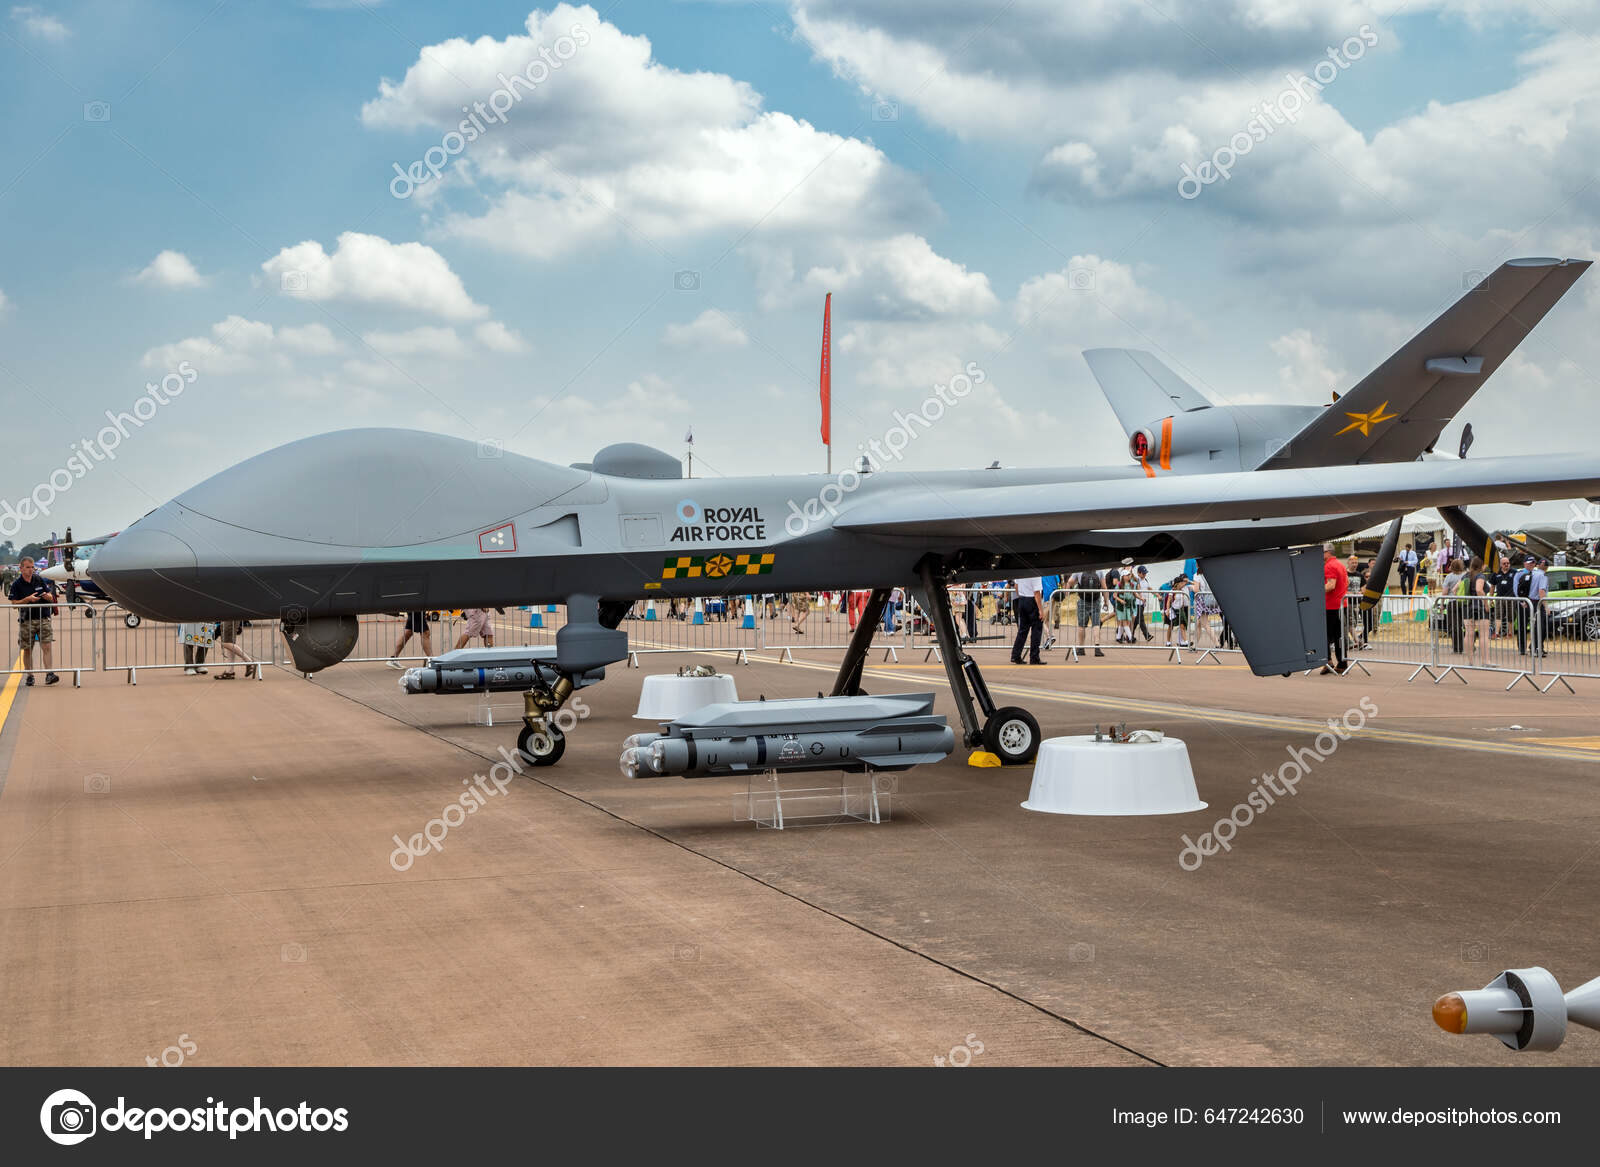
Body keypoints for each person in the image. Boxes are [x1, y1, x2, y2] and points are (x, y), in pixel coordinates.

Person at [8, 556, 60, 685]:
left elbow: (50, 596)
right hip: (27, 620)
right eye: (27, 567)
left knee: (47, 646)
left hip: (43, 618)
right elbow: (14, 604)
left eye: (32, 567)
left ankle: (49, 674)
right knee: (27, 649)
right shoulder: (17, 584)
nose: (31, 570)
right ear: (21, 568)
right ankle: (30, 676)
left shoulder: (39, 579)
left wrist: (47, 596)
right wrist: (27, 599)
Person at [1321, 544, 1349, 675]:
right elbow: (1347, 582)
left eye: (1322, 552)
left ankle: (1328, 662)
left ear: (1328, 553)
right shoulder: (1340, 564)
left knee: (1324, 635)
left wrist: (1314, 591)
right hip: (1341, 604)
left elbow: (1331, 585)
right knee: (1339, 636)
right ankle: (1342, 663)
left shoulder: (1329, 566)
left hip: (1331, 606)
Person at [1010, 575, 1045, 664]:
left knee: (1022, 630)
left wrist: (1021, 597)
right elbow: (1037, 592)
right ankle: (1034, 657)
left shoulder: (1021, 572)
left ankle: (1015, 655)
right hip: (1032, 601)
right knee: (1036, 630)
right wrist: (1041, 610)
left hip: (1022, 599)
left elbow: (1016, 586)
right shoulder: (1036, 575)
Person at [1465, 556, 1491, 665]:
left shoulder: (1466, 575)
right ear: (1481, 565)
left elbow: (1455, 589)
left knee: (1469, 634)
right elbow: (1479, 590)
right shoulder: (1480, 575)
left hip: (1467, 607)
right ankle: (1485, 661)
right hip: (1479, 607)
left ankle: (1470, 661)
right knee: (1483, 635)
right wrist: (1486, 604)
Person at [1072, 571, 1105, 656]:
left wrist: (1068, 590)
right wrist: (1106, 601)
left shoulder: (1079, 570)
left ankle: (1081, 648)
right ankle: (1097, 649)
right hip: (1096, 600)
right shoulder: (1099, 571)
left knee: (1081, 625)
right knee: (1096, 625)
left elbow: (1070, 582)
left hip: (1083, 600)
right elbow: (1104, 587)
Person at [1442, 557, 1467, 655]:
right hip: (1465, 602)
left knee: (1454, 626)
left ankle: (1457, 647)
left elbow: (1444, 592)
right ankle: (1468, 645)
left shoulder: (1449, 577)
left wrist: (1442, 604)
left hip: (1453, 602)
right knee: (1466, 626)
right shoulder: (1465, 575)